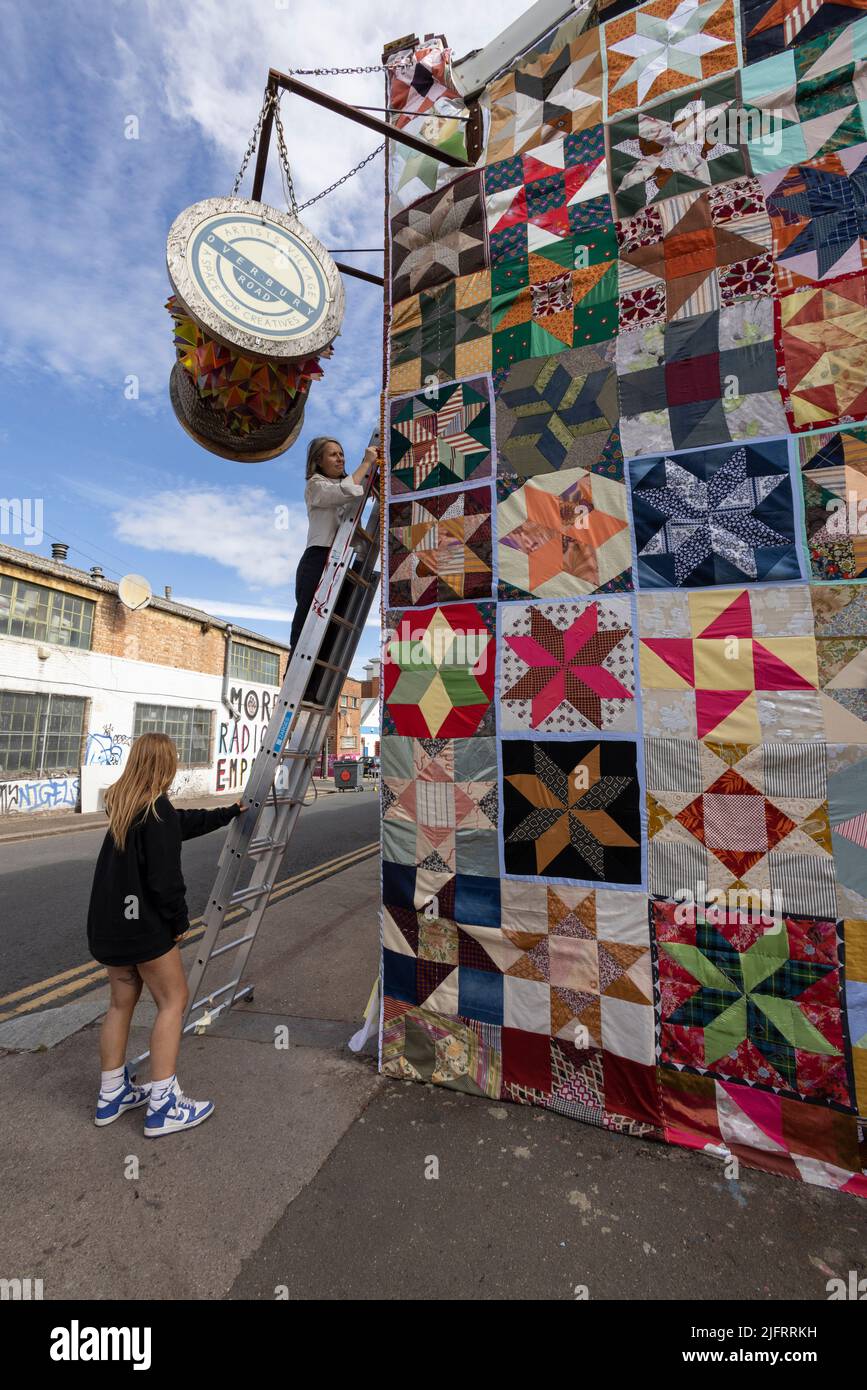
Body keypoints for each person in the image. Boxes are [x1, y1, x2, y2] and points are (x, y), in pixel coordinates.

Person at [86, 732, 246, 1137]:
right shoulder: (154, 809)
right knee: (173, 1001)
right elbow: (164, 882)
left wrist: (228, 812)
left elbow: (182, 823)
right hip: (145, 930)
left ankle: (111, 1095)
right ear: (165, 764)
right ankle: (163, 1105)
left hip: (111, 928)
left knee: (120, 1004)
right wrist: (178, 924)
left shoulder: (125, 805)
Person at [289, 436, 377, 652]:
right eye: (333, 454)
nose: (341, 459)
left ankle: (317, 685)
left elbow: (353, 534)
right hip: (318, 558)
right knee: (306, 626)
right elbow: (342, 492)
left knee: (331, 631)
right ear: (319, 461)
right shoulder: (315, 485)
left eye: (342, 454)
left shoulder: (347, 486)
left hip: (340, 562)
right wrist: (366, 464)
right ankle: (295, 681)